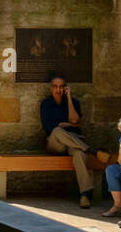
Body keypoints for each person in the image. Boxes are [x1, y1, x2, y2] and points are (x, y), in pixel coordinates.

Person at [39, 72, 95, 209]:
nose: (58, 90)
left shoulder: (74, 102)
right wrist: (69, 125)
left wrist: (69, 97)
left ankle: (85, 195)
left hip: (73, 144)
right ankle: (89, 149)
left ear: (65, 88)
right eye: (55, 86)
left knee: (79, 154)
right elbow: (49, 128)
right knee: (58, 131)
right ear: (51, 88)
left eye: (61, 87)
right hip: (55, 144)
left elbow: (75, 120)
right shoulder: (46, 104)